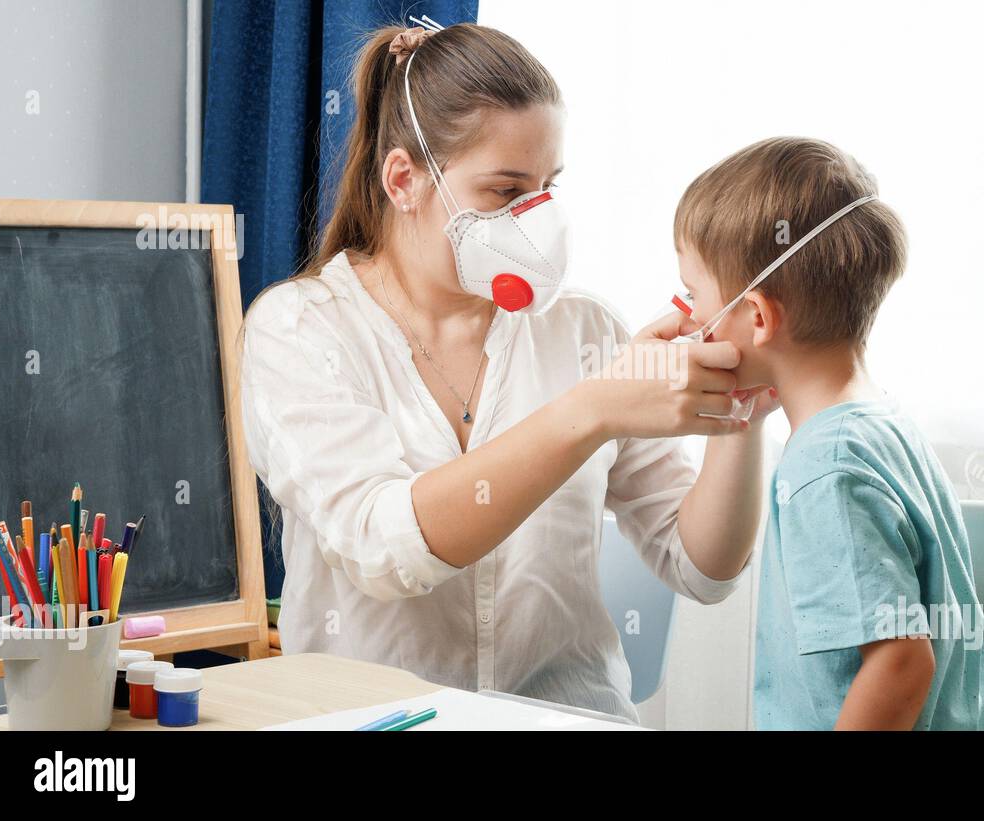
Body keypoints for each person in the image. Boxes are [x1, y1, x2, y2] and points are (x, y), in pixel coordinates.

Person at [239, 23, 773, 722]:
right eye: (505, 190)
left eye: (548, 188)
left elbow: (703, 568)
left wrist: (738, 416)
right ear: (404, 180)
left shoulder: (584, 330)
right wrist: (590, 412)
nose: (537, 220)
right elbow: (383, 546)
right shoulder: (300, 329)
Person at [673, 136, 984, 730]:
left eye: (694, 295)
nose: (689, 319)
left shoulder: (823, 469)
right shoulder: (882, 425)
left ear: (758, 317)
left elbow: (901, 664)